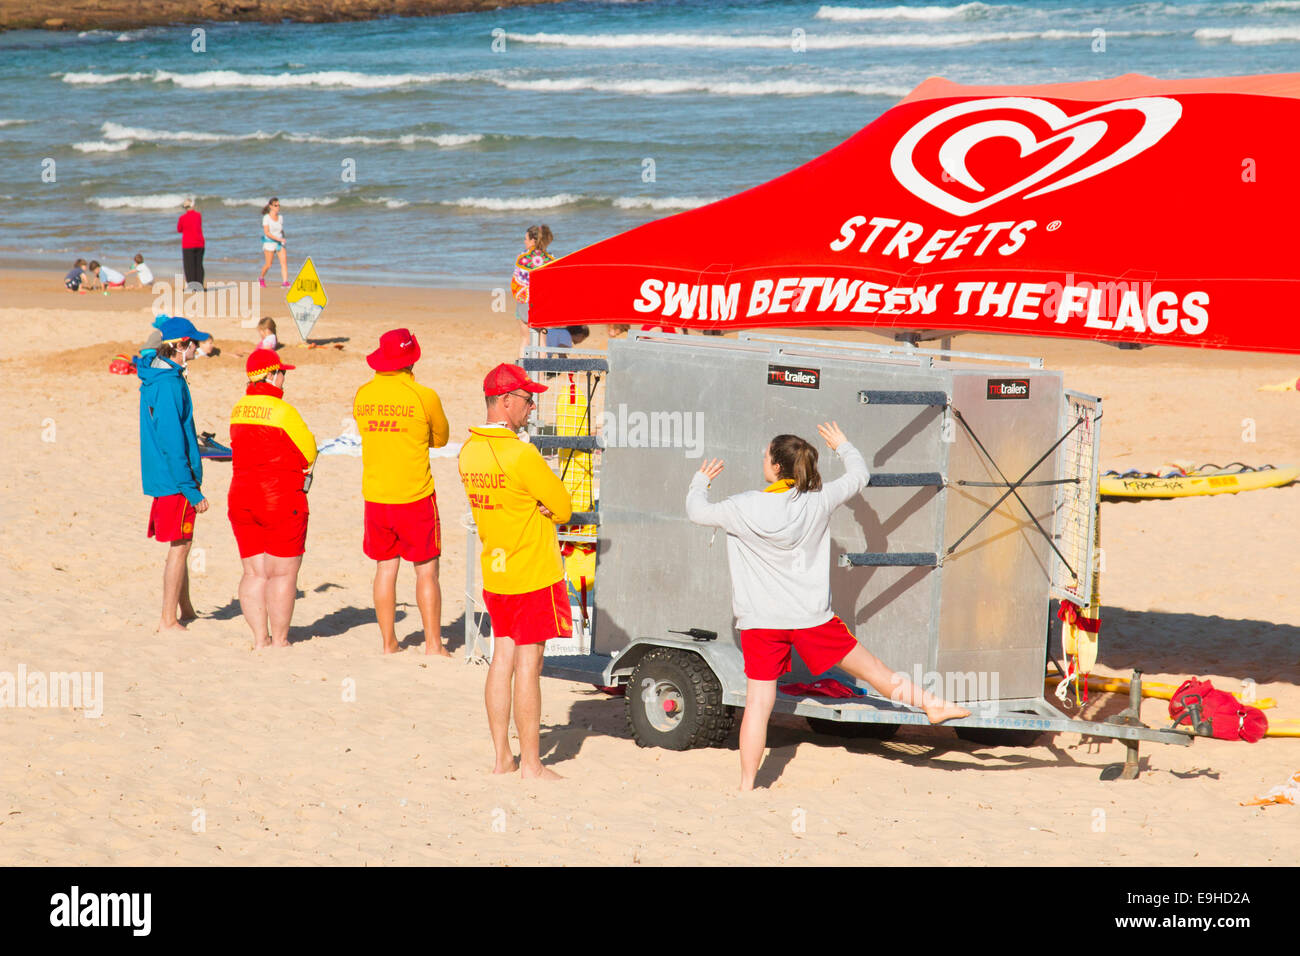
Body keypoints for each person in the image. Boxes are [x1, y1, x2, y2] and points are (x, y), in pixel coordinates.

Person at [686, 422, 970, 791]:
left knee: (758, 705)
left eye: (765, 456)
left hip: (761, 623)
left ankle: (745, 786)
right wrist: (843, 444)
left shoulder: (742, 506)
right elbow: (860, 475)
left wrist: (700, 480)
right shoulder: (818, 498)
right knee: (874, 671)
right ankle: (931, 704)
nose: (762, 460)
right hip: (811, 619)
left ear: (775, 466)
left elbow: (696, 510)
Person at [458, 363, 573, 780]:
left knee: (500, 659)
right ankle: (532, 764)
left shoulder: (468, 451)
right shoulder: (521, 454)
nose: (532, 405)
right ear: (505, 402)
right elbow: (563, 507)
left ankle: (501, 758)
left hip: (496, 569)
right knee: (528, 666)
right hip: (531, 571)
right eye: (526, 399)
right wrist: (541, 507)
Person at [352, 329, 451, 655]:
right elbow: (441, 439)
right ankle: (434, 645)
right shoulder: (424, 395)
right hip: (414, 496)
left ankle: (388, 643)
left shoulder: (363, 394)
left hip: (377, 496)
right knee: (426, 571)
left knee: (385, 568)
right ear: (411, 361)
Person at [228, 349, 316, 649]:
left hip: (241, 497)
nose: (284, 379)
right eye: (282, 373)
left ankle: (259, 638)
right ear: (269, 375)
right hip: (278, 498)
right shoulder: (283, 411)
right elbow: (310, 451)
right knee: (282, 574)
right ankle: (279, 640)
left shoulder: (239, 407)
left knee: (254, 572)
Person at [136, 316, 213, 633]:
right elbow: (170, 441)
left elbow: (172, 433)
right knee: (179, 547)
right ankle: (168, 619)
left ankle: (185, 608)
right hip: (174, 481)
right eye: (193, 342)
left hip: (165, 474)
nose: (197, 347)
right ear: (181, 346)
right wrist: (192, 490)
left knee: (184, 542)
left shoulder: (157, 372)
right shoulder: (168, 384)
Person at [511, 224, 553, 358]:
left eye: (526, 239)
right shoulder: (550, 259)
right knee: (542, 342)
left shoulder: (522, 258)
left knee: (525, 339)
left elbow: (516, 281)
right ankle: (540, 376)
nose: (524, 242)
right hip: (543, 304)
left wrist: (520, 297)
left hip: (525, 301)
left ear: (533, 241)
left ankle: (523, 375)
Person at [259, 197, 289, 288]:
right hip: (269, 243)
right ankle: (261, 278)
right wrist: (278, 239)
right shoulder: (266, 218)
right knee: (268, 264)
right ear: (270, 206)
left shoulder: (280, 217)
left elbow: (281, 230)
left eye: (279, 205)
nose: (278, 207)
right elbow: (267, 233)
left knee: (284, 263)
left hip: (280, 243)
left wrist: (282, 238)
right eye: (276, 205)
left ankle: (285, 282)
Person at [177, 198, 205, 291]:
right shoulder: (198, 215)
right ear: (193, 206)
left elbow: (179, 229)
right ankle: (199, 286)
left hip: (188, 244)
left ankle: (192, 286)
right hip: (200, 243)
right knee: (199, 265)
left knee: (189, 266)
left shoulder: (182, 218)